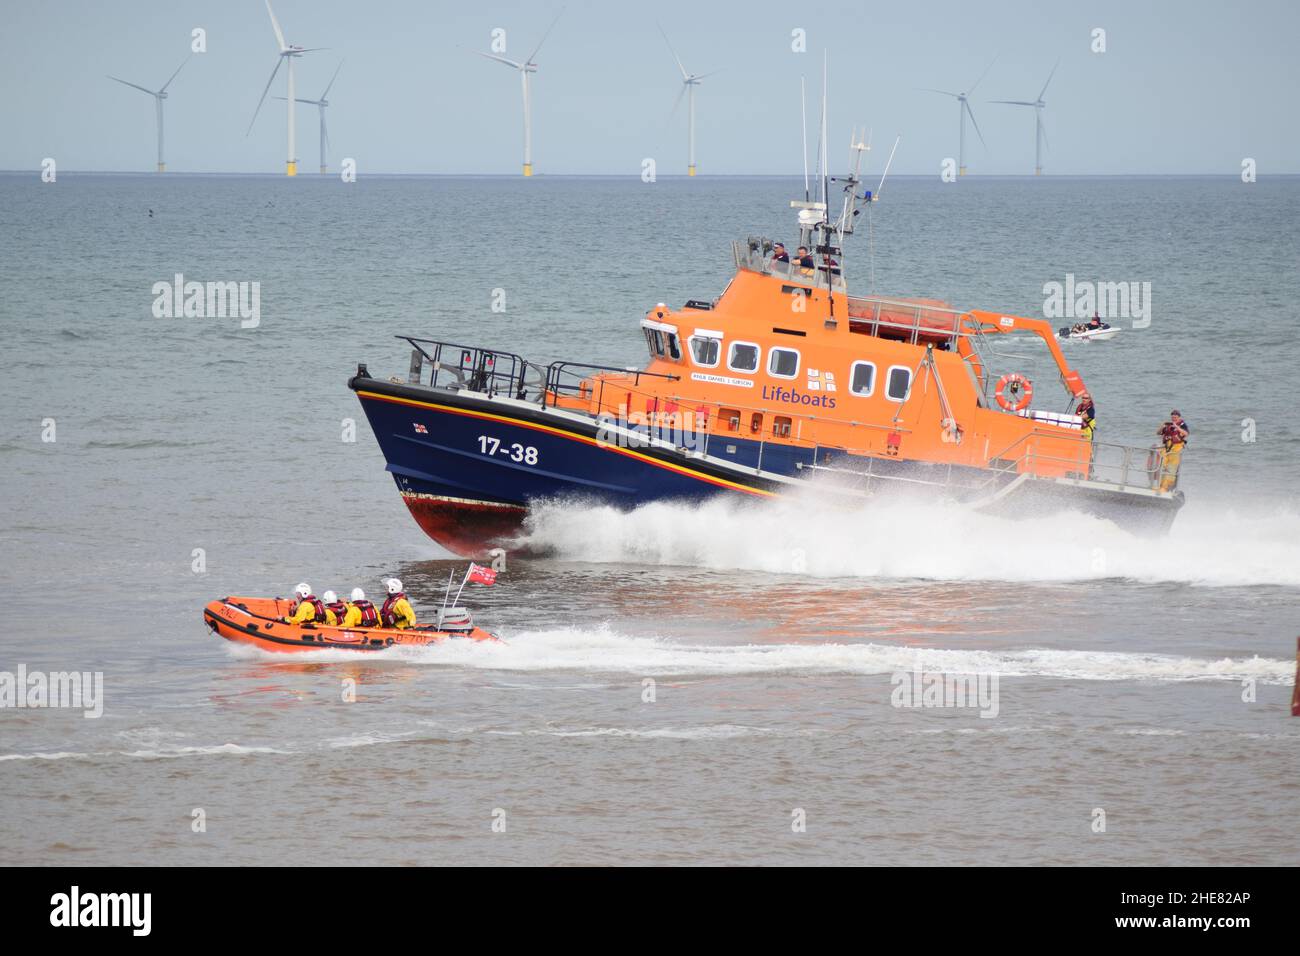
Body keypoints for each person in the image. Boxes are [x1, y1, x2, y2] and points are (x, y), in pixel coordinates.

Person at [1157, 409, 1189, 492]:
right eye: (1172, 417)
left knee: (1171, 469)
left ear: (1179, 417)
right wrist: (1162, 426)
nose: (1174, 418)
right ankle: (1159, 485)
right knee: (1161, 466)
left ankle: (1166, 487)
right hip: (1166, 449)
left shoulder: (1182, 425)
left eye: (1175, 417)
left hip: (1175, 450)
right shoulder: (1168, 425)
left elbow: (1186, 434)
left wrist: (1177, 427)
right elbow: (1158, 433)